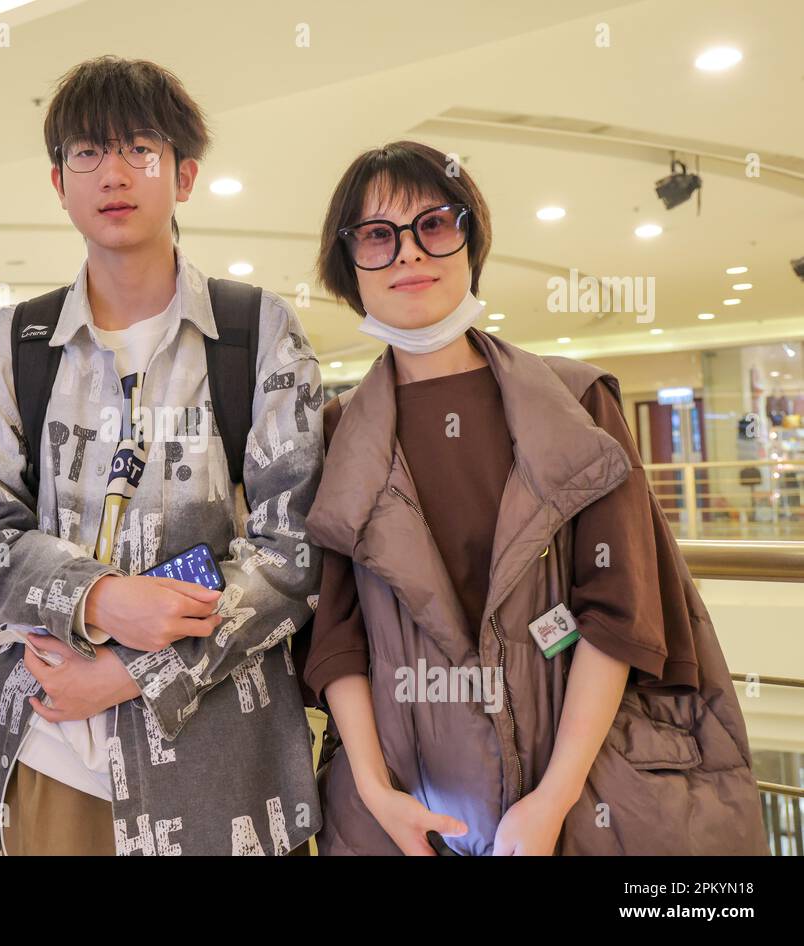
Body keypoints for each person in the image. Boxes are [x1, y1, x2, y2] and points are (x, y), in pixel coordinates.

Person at [298, 140, 767, 855]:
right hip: (397, 813)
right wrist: (372, 789)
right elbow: (337, 643)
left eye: (434, 225)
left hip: (580, 801)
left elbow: (619, 616)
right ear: (349, 266)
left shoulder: (577, 404)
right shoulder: (337, 435)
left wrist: (551, 799)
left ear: (469, 240)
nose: (408, 254)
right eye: (376, 236)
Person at [0, 56, 323, 855]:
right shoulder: (12, 345)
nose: (112, 173)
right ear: (58, 182)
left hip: (226, 771)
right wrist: (103, 601)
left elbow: (292, 552)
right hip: (55, 756)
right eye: (86, 152)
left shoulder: (256, 330)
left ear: (184, 175)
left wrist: (133, 672)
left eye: (140, 150)